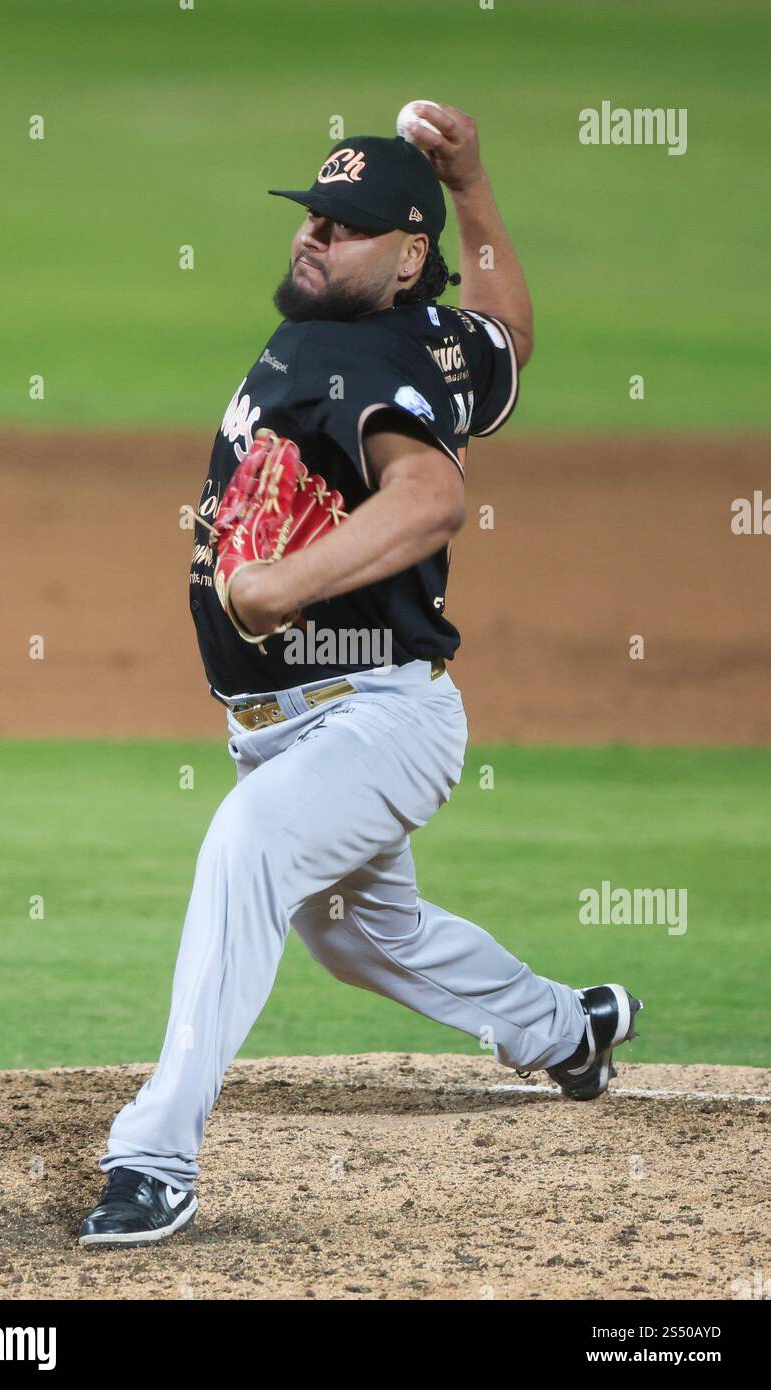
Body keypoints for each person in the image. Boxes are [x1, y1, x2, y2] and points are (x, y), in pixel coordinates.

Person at [78, 104, 641, 1248]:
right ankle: (562, 1030)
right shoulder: (428, 339)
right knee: (357, 935)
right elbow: (508, 336)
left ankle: (153, 1153)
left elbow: (431, 496)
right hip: (318, 723)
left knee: (245, 848)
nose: (312, 235)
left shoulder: (345, 355)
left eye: (343, 227)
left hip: (375, 720)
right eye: (311, 215)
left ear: (402, 255)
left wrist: (282, 587)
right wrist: (474, 183)